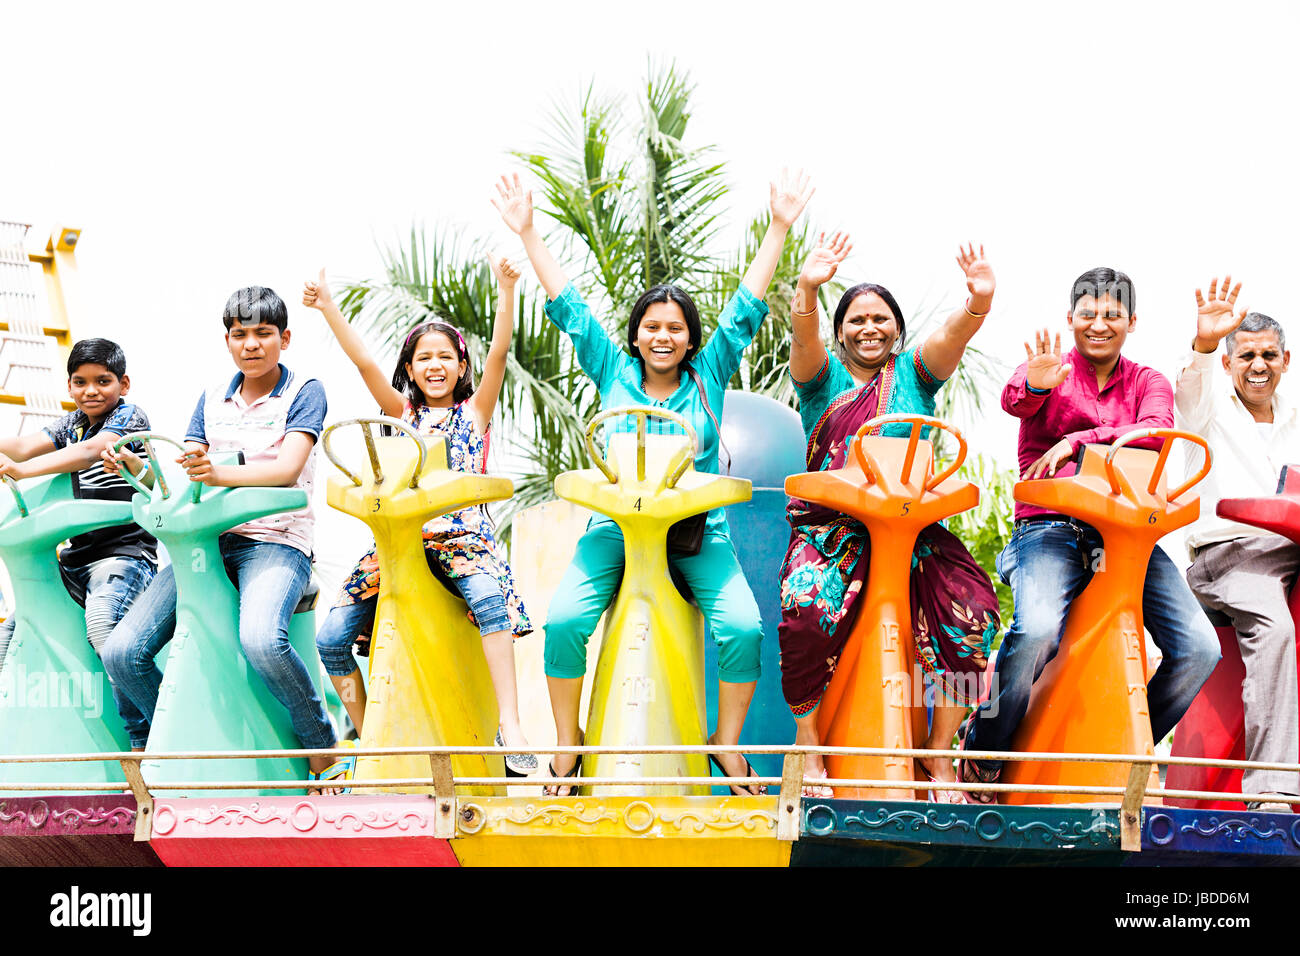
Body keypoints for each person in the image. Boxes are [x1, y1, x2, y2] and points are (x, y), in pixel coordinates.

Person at [493, 168, 813, 796]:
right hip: (615, 526)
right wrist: (529, 232)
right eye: (651, 326)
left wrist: (777, 226)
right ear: (636, 334)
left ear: (690, 337)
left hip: (696, 534)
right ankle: (569, 743)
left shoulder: (709, 375)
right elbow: (570, 309)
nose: (662, 336)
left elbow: (746, 308)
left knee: (743, 626)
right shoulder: (611, 369)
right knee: (563, 621)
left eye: (674, 328)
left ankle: (725, 741)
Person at [960, 267, 1220, 802]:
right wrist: (1035, 382)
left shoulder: (1148, 381)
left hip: (1125, 535)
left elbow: (1155, 433)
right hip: (1049, 529)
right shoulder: (1050, 370)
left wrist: (1083, 439)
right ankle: (983, 750)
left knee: (1200, 647)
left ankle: (1131, 739)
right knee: (1035, 632)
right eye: (1088, 314)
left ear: (1131, 321)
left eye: (1111, 315)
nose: (1099, 325)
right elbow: (1016, 400)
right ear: (1071, 318)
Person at [779, 234, 1000, 801]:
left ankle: (938, 755)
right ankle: (808, 745)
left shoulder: (916, 375)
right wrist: (807, 286)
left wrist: (977, 303)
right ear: (840, 331)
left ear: (897, 330)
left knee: (974, 609)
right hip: (833, 531)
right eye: (857, 318)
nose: (869, 327)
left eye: (881, 318)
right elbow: (803, 340)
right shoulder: (820, 380)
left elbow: (951, 338)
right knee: (805, 611)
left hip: (912, 530)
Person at [101, 286, 345, 788]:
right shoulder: (210, 398)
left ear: (285, 338)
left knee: (261, 639)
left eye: (263, 333)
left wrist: (219, 469)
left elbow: (288, 468)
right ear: (228, 341)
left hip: (277, 543)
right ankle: (181, 736)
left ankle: (320, 742)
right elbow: (188, 480)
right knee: (121, 651)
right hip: (208, 545)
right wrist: (140, 472)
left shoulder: (306, 391)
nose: (251, 344)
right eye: (240, 334)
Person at [305, 259, 536, 776]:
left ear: (460, 366)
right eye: (423, 358)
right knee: (331, 638)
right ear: (409, 369)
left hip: (462, 538)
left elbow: (499, 351)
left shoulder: (475, 412)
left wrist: (505, 288)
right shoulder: (401, 416)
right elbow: (364, 362)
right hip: (403, 540)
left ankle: (513, 727)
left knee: (488, 600)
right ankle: (368, 740)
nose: (435, 366)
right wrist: (327, 307)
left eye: (445, 357)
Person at [1176, 276, 1300, 811]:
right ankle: (1271, 790)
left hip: (1294, 549)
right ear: (1229, 364)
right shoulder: (1208, 410)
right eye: (1246, 354)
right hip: (1232, 554)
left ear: (1286, 360)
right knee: (1275, 630)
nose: (1258, 365)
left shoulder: (1296, 420)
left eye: (1269, 355)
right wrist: (1205, 343)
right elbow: (1188, 393)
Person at [0, 339, 157, 735]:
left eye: (102, 381)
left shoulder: (129, 417)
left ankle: (145, 738)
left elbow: (91, 452)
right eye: (80, 382)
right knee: (10, 634)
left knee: (103, 625)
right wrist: (19, 461)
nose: (91, 391)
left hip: (123, 556)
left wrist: (24, 472)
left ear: (124, 383)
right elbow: (19, 447)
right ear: (69, 387)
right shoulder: (70, 424)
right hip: (74, 561)